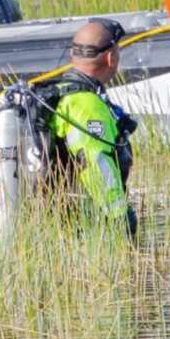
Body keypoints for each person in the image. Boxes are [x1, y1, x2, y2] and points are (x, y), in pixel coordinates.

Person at [37, 19, 138, 236]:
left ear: (73, 56)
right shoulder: (87, 105)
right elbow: (95, 161)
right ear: (111, 58)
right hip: (84, 229)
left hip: (63, 223)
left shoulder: (61, 94)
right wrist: (120, 216)